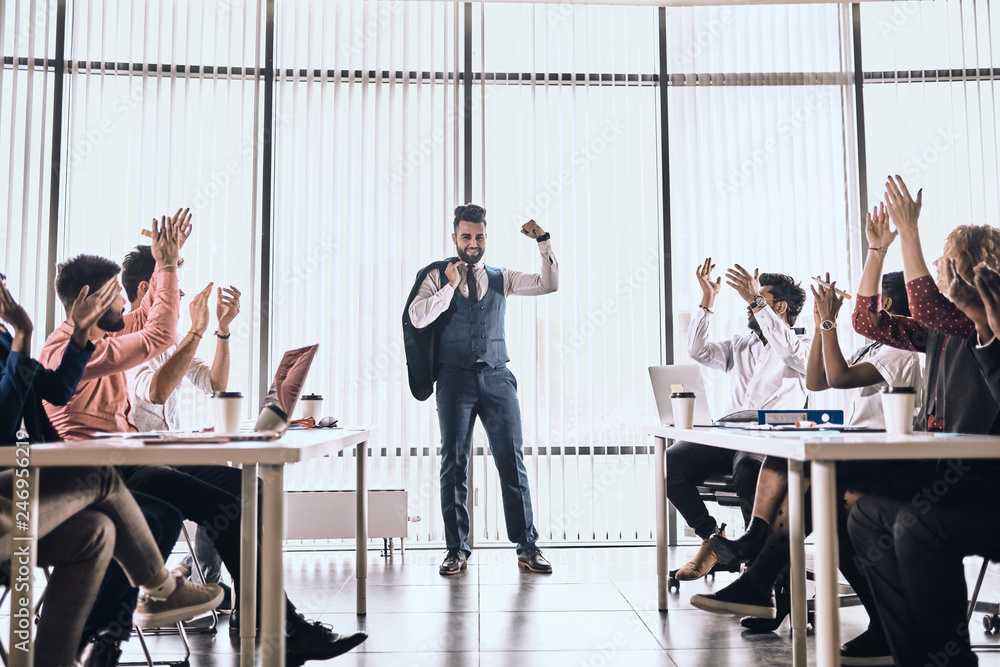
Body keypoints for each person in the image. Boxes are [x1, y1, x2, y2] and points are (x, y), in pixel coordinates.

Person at [40, 211, 367, 665]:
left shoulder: (102, 334)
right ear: (88, 300)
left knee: (244, 490)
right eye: (115, 298)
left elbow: (142, 315)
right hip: (101, 478)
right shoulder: (72, 348)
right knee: (200, 504)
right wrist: (168, 267)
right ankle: (274, 628)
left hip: (127, 463)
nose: (125, 308)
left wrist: (163, 262)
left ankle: (274, 623)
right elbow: (156, 333)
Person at [692, 266, 922, 666]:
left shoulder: (900, 350)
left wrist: (828, 322)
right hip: (860, 450)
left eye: (870, 302)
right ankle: (756, 554)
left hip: (883, 457)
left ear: (884, 304)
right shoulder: (874, 347)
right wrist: (822, 323)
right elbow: (818, 382)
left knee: (823, 495)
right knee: (788, 460)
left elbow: (836, 375)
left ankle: (758, 573)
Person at [0, 276, 222, 667]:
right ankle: (161, 587)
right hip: (14, 492)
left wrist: (80, 332)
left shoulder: (5, 339)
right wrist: (23, 334)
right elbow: (3, 425)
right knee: (102, 477)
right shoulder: (19, 340)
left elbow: (55, 390)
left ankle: (65, 656)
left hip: (28, 482)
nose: (5, 289)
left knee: (100, 531)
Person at [847, 175, 1000, 666]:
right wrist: (878, 252)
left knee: (908, 521)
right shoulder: (942, 332)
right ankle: (915, 653)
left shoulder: (971, 323)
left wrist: (908, 233)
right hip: (949, 474)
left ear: (968, 271)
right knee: (864, 512)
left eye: (942, 258)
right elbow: (867, 323)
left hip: (980, 483)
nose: (933, 265)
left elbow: (928, 304)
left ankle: (943, 657)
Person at [406, 204, 558, 575]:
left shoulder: (501, 276)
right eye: (466, 237)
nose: (472, 243)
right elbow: (417, 316)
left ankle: (527, 546)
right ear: (454, 237)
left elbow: (548, 284)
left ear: (485, 237)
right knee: (453, 464)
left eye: (478, 237)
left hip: (497, 377)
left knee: (511, 461)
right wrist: (450, 288)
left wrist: (543, 242)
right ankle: (456, 549)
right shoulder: (434, 275)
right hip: (454, 380)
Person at [666, 258, 809, 583]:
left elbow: (788, 351)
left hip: (768, 442)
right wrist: (708, 300)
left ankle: (759, 562)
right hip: (727, 435)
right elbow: (697, 351)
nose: (751, 307)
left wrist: (755, 302)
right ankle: (713, 539)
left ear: (781, 307)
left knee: (749, 470)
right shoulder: (738, 345)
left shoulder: (802, 346)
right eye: (752, 301)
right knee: (670, 463)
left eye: (760, 300)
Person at [121, 244, 241, 601]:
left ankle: (204, 578)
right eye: (173, 289)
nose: (182, 295)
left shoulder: (168, 343)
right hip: (140, 464)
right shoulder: (126, 340)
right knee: (228, 495)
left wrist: (221, 330)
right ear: (146, 291)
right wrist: (196, 332)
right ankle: (205, 584)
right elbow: (155, 392)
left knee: (243, 485)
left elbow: (215, 383)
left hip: (168, 452)